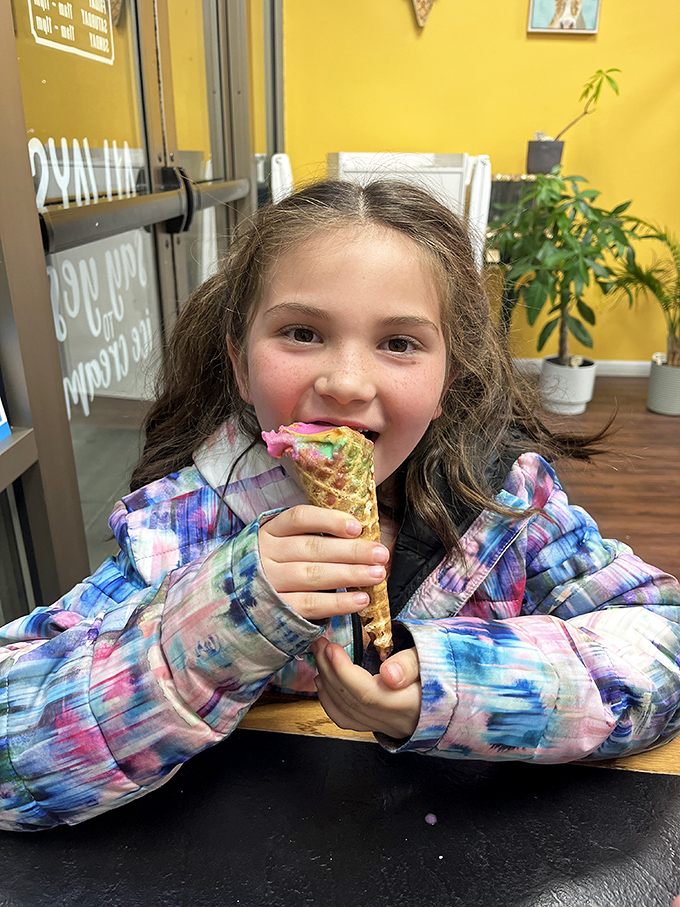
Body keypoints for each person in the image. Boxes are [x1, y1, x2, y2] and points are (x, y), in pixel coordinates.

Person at [1, 179, 679, 833]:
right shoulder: (181, 528)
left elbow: (662, 638)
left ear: (449, 377)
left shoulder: (507, 510)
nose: (346, 381)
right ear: (240, 365)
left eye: (399, 343)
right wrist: (224, 616)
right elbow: (13, 741)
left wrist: (455, 683)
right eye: (301, 333)